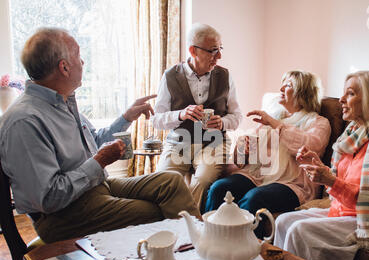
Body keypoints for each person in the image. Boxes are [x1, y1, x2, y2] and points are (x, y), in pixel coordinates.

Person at [0, 27, 200, 243]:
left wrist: (126, 117)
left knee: (171, 181)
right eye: (78, 55)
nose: (83, 62)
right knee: (153, 212)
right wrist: (100, 161)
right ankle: (188, 258)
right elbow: (49, 198)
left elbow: (91, 142)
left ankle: (200, 247)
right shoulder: (25, 121)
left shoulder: (63, 101)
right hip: (61, 216)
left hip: (96, 188)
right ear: (64, 67)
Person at [274, 70, 369, 260]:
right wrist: (320, 167)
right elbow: (342, 180)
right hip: (344, 211)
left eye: (351, 94)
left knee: (299, 230)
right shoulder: (354, 135)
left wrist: (330, 180)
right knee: (283, 221)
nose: (342, 100)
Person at [205, 70, 331, 237]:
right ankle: (208, 238)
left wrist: (275, 124)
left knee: (254, 198)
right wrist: (245, 147)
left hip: (292, 184)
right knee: (219, 188)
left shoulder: (318, 122)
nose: (281, 88)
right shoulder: (274, 117)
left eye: (288, 85)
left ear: (304, 92)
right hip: (259, 177)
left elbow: (309, 145)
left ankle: (239, 247)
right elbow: (242, 161)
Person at [152, 23, 242, 209]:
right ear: (193, 51)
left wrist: (223, 122)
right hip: (179, 142)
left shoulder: (225, 76)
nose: (219, 56)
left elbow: (237, 116)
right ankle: (169, 226)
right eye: (213, 51)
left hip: (214, 143)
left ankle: (191, 229)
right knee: (163, 181)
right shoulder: (170, 76)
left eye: (220, 49)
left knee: (202, 180)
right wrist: (180, 115)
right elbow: (156, 120)